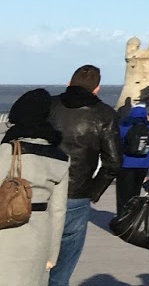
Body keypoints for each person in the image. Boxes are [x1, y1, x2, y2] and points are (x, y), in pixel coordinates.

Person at [47, 65, 121, 286]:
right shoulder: (105, 114)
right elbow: (114, 161)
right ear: (97, 89)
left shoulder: (49, 106)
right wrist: (94, 191)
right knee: (62, 269)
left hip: (44, 190)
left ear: (69, 83)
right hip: (77, 195)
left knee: (36, 260)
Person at [0, 90, 71, 286]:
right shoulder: (60, 158)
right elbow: (58, 210)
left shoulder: (5, 150)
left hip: (5, 232)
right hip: (38, 237)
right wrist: (52, 254)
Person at [115, 102, 149, 214]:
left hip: (126, 163)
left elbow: (117, 143)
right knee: (136, 192)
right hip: (144, 164)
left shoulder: (123, 126)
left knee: (123, 194)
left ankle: (122, 217)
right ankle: (132, 217)